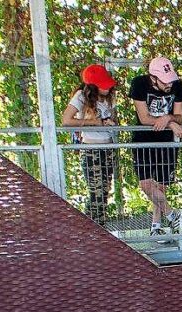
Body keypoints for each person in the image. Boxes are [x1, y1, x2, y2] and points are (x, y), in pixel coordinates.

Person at [129, 56, 182, 235]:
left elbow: (179, 116)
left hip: (166, 142)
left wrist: (168, 118)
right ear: (153, 78)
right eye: (165, 81)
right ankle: (172, 214)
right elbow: (144, 118)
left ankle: (156, 226)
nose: (169, 85)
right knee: (146, 184)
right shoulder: (139, 84)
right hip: (143, 140)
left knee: (161, 185)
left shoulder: (177, 85)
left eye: (171, 80)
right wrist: (170, 123)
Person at [61, 64, 119, 225]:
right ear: (93, 86)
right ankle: (91, 229)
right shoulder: (81, 96)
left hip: (108, 148)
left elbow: (113, 118)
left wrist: (111, 123)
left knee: (104, 192)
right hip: (91, 149)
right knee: (96, 193)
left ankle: (98, 228)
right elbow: (66, 120)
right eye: (103, 85)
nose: (107, 88)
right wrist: (94, 122)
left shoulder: (110, 97)